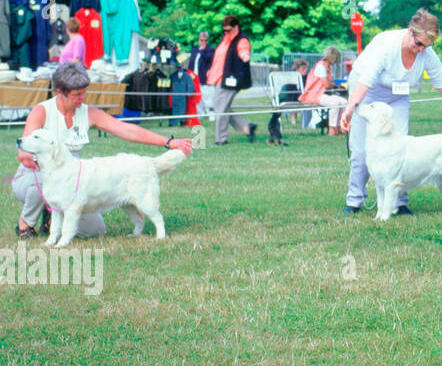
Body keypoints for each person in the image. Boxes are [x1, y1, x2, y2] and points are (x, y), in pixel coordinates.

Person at [12, 60, 194, 240]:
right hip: (35, 174)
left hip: (74, 180)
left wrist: (168, 142)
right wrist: (54, 168)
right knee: (42, 184)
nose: (82, 98)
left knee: (94, 230)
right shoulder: (41, 112)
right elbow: (25, 155)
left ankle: (52, 218)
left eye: (84, 92)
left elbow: (127, 130)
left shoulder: (88, 113)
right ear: (60, 92)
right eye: (77, 94)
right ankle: (25, 224)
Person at [339, 10, 442, 214]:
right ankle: (354, 200)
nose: (421, 49)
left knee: (401, 148)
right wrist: (349, 109)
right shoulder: (386, 45)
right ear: (410, 32)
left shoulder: (426, 53)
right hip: (367, 92)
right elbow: (365, 81)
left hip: (398, 95)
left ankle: (398, 203)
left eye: (427, 45)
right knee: (361, 152)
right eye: (418, 44)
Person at [205, 15, 258, 146]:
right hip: (218, 78)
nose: (226, 33)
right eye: (224, 30)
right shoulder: (225, 39)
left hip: (231, 79)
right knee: (223, 107)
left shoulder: (242, 40)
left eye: (228, 30)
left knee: (221, 109)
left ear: (236, 27)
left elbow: (243, 50)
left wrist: (245, 55)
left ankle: (221, 139)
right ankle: (247, 127)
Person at [300, 46, 345, 134]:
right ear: (332, 58)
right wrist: (336, 84)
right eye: (336, 59)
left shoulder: (327, 67)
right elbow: (327, 84)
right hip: (312, 95)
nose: (336, 61)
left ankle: (340, 128)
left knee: (344, 102)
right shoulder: (321, 66)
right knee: (335, 103)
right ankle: (332, 129)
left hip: (320, 94)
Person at [188, 31, 216, 116]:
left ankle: (211, 114)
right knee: (197, 97)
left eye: (205, 40)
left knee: (207, 97)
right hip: (194, 77)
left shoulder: (210, 50)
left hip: (204, 78)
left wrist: (203, 49)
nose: (203, 42)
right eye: (201, 40)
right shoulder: (194, 49)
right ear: (198, 40)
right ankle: (200, 113)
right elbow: (191, 63)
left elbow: (209, 59)